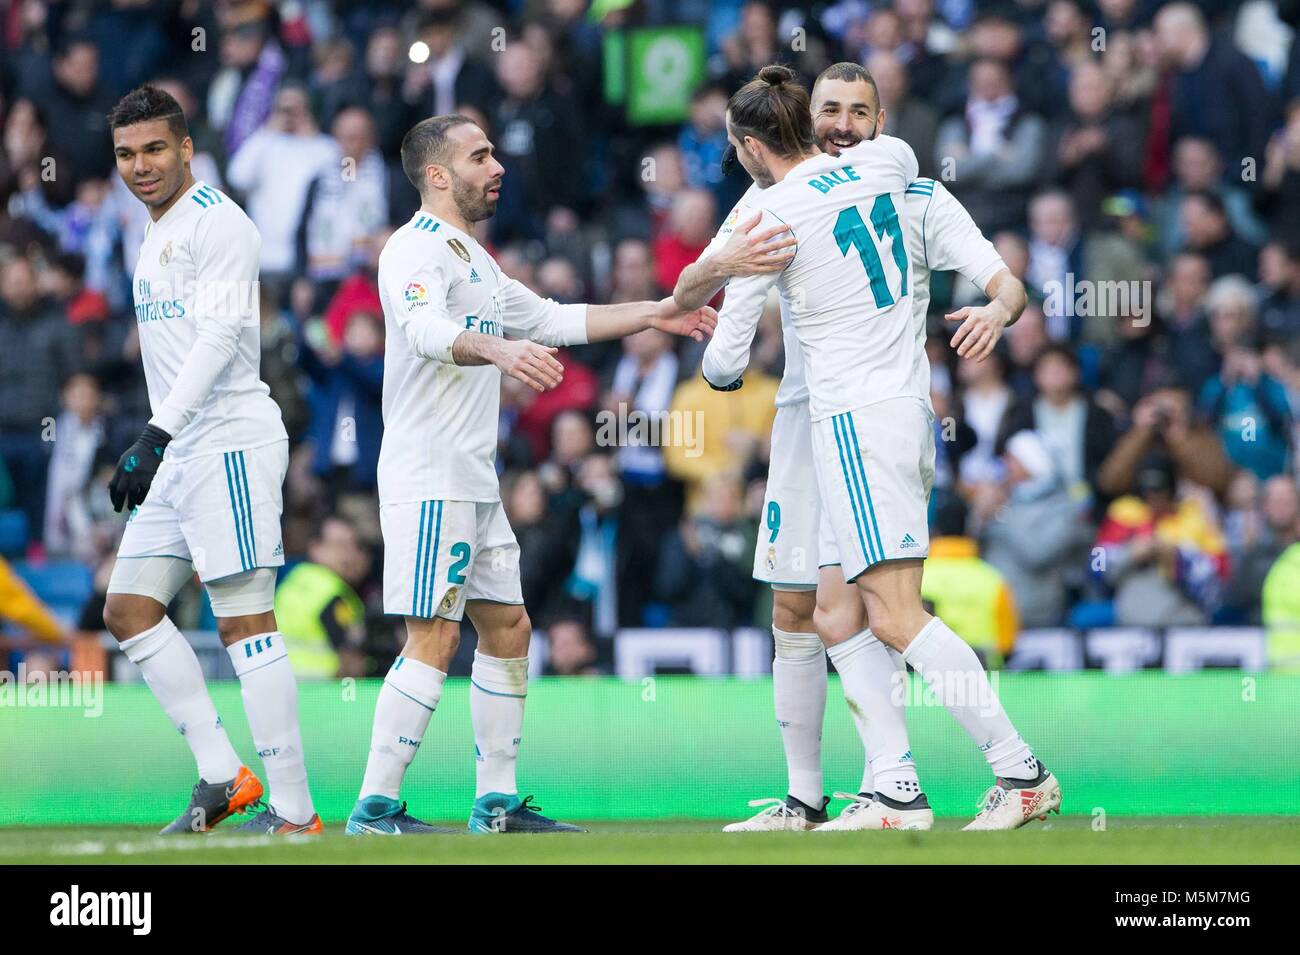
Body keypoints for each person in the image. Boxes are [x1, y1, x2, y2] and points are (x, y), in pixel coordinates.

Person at [688, 64, 1058, 831]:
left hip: (855, 417)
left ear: (753, 144)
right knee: (826, 609)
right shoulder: (896, 169)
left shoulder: (770, 212)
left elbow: (721, 363)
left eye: (860, 111)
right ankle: (888, 788)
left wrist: (710, 273)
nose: (845, 124)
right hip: (857, 416)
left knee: (891, 613)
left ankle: (1019, 769)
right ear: (807, 116)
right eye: (830, 109)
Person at [346, 114, 716, 836]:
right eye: (480, 155)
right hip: (430, 476)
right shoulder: (413, 251)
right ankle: (376, 806)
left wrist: (656, 313)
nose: (499, 166)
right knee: (433, 636)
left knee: (509, 625)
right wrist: (499, 351)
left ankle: (496, 803)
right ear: (438, 175)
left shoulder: (476, 260)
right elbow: (422, 332)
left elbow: (551, 317)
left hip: (475, 481)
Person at [102, 85, 320, 835]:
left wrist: (153, 435)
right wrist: (162, 438)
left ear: (187, 147)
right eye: (126, 154)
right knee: (128, 609)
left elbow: (223, 338)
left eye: (155, 149)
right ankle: (225, 773)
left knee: (243, 622)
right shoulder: (153, 229)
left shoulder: (220, 223)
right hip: (177, 444)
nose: (141, 166)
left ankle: (295, 812)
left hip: (225, 439)